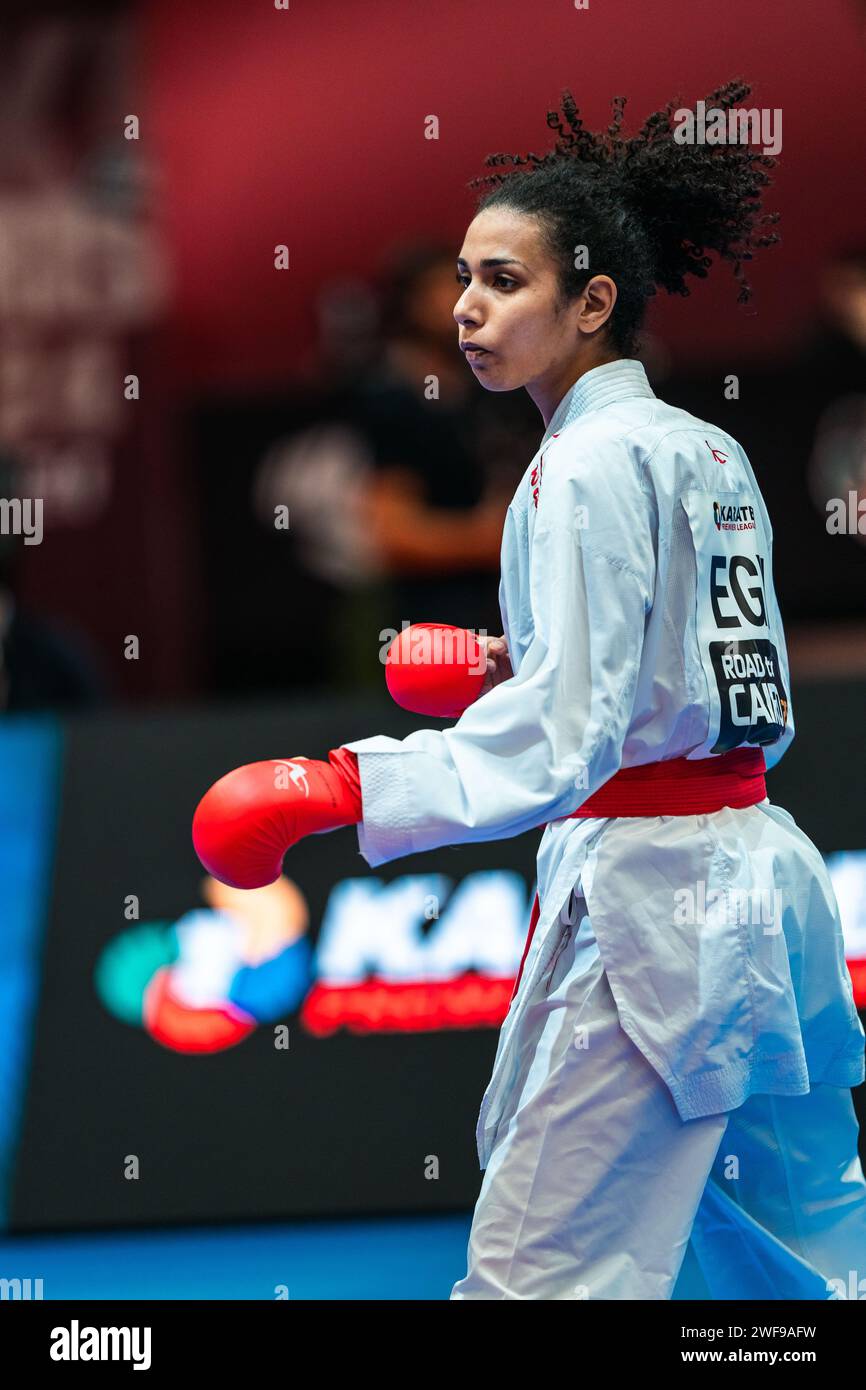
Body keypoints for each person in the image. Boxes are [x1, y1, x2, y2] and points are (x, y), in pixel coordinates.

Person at [192, 80, 866, 1300]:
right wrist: (517, 660)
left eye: (503, 280)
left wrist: (341, 783)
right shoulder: (704, 448)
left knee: (533, 1278)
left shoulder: (581, 467)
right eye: (462, 278)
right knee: (792, 1262)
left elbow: (565, 739)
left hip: (652, 906)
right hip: (763, 882)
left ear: (592, 299)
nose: (465, 308)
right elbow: (705, 673)